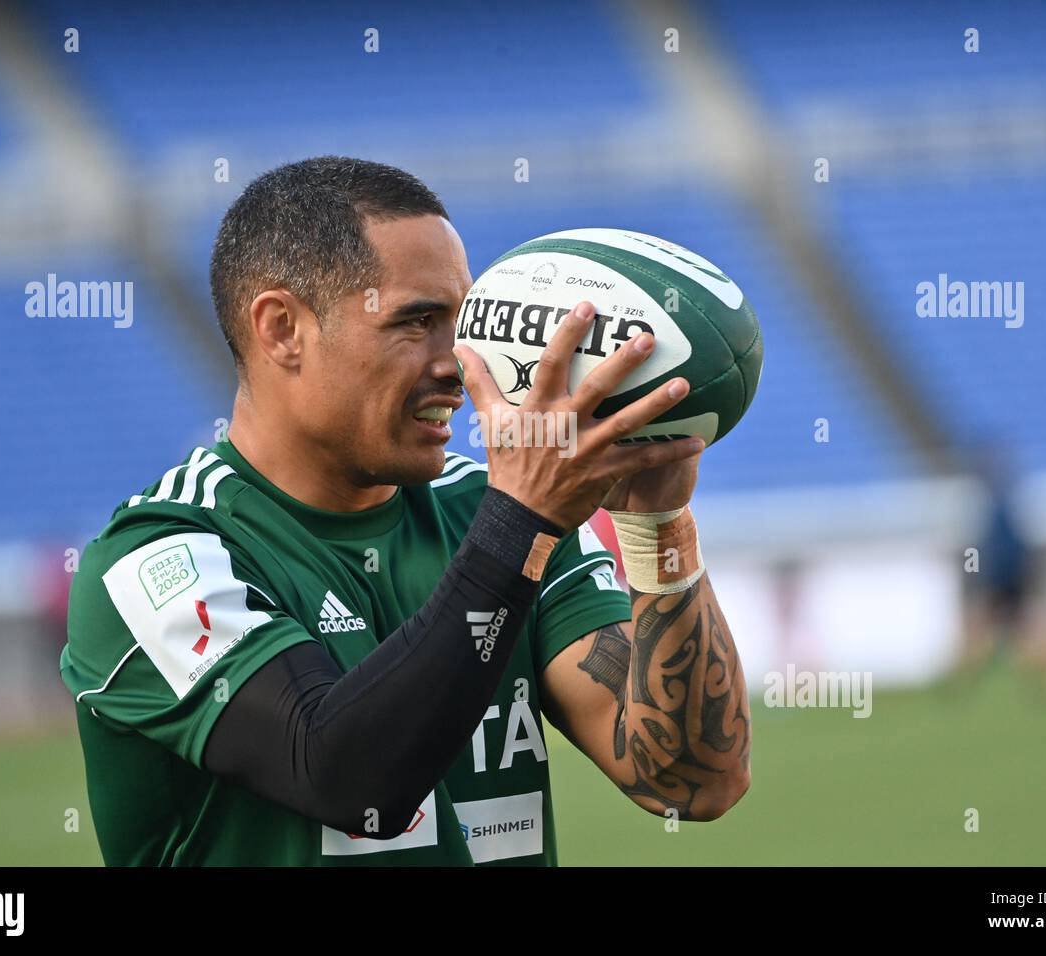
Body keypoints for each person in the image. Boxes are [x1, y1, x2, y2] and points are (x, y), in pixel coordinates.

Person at [59, 156, 752, 866]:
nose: (460, 359)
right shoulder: (159, 560)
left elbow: (692, 782)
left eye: (464, 319)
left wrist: (657, 525)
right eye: (417, 320)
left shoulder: (496, 514)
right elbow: (350, 782)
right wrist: (519, 521)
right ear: (281, 329)